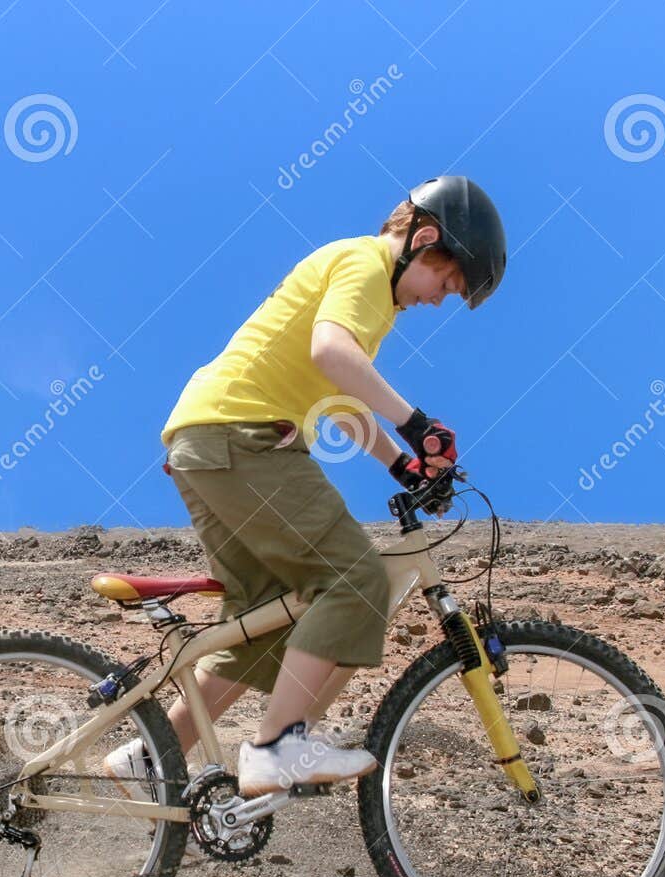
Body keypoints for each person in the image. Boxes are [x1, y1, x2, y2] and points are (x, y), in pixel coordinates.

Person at [108, 176, 506, 799]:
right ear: (423, 240)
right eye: (446, 283)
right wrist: (418, 425)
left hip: (207, 444)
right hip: (241, 438)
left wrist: (401, 465)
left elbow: (339, 397)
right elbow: (332, 353)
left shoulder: (365, 288)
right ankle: (276, 747)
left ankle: (150, 756)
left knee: (264, 621)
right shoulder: (367, 265)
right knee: (355, 581)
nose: (438, 300)